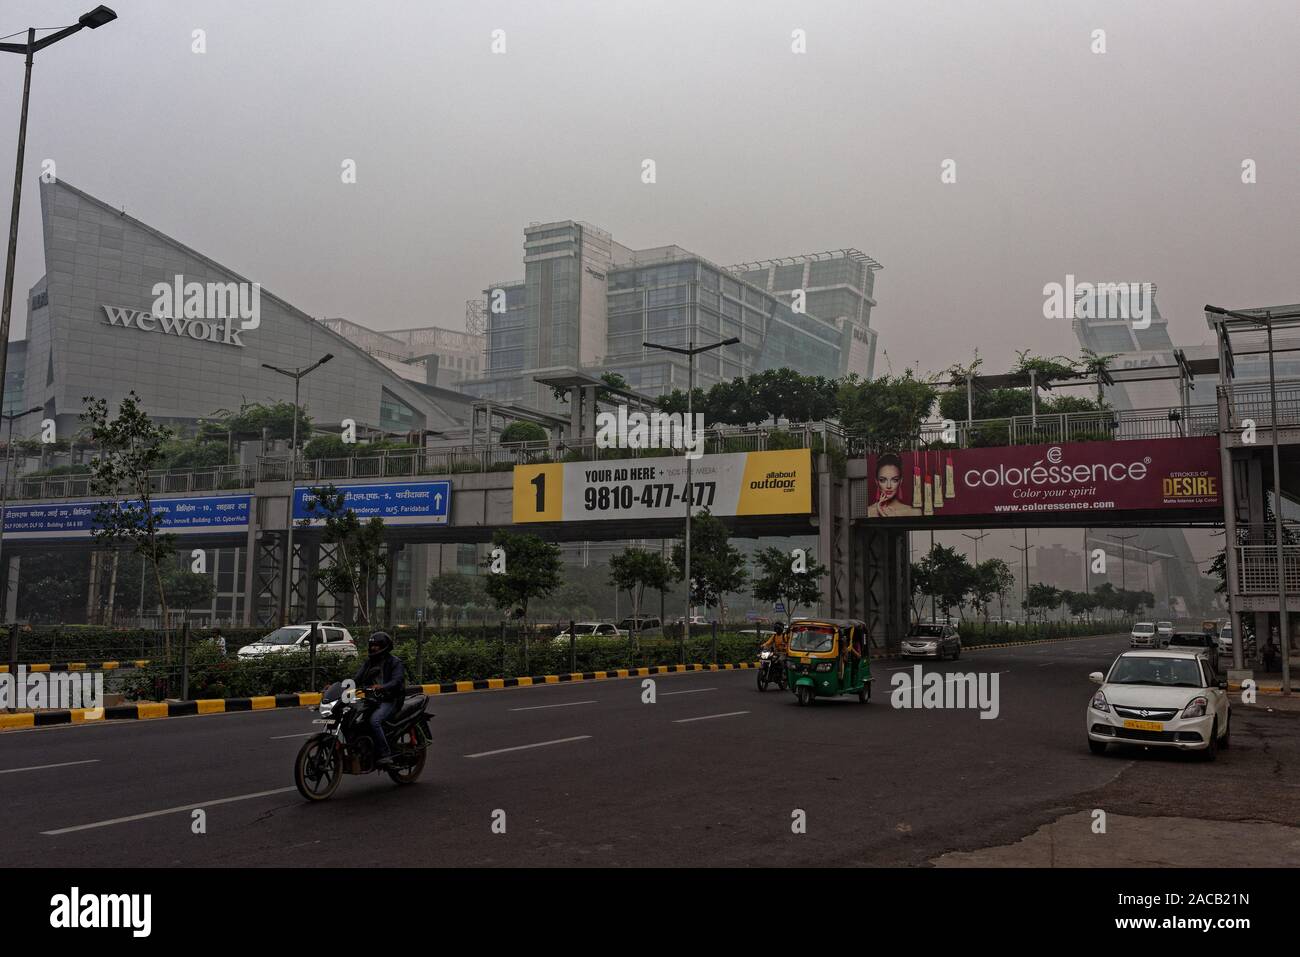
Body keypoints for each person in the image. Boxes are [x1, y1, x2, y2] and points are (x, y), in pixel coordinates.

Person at [353, 631, 406, 769]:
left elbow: (397, 681)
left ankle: (385, 754)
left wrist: (382, 687)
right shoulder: (369, 663)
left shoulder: (395, 662)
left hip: (390, 700)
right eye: (372, 645)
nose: (373, 648)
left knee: (374, 721)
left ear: (384, 646)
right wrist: (340, 686)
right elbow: (356, 679)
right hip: (372, 700)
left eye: (376, 645)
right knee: (354, 718)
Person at [867, 453, 922, 518]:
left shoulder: (914, 512)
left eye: (894, 480)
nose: (889, 486)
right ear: (877, 482)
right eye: (883, 480)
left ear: (900, 481)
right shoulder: (868, 512)